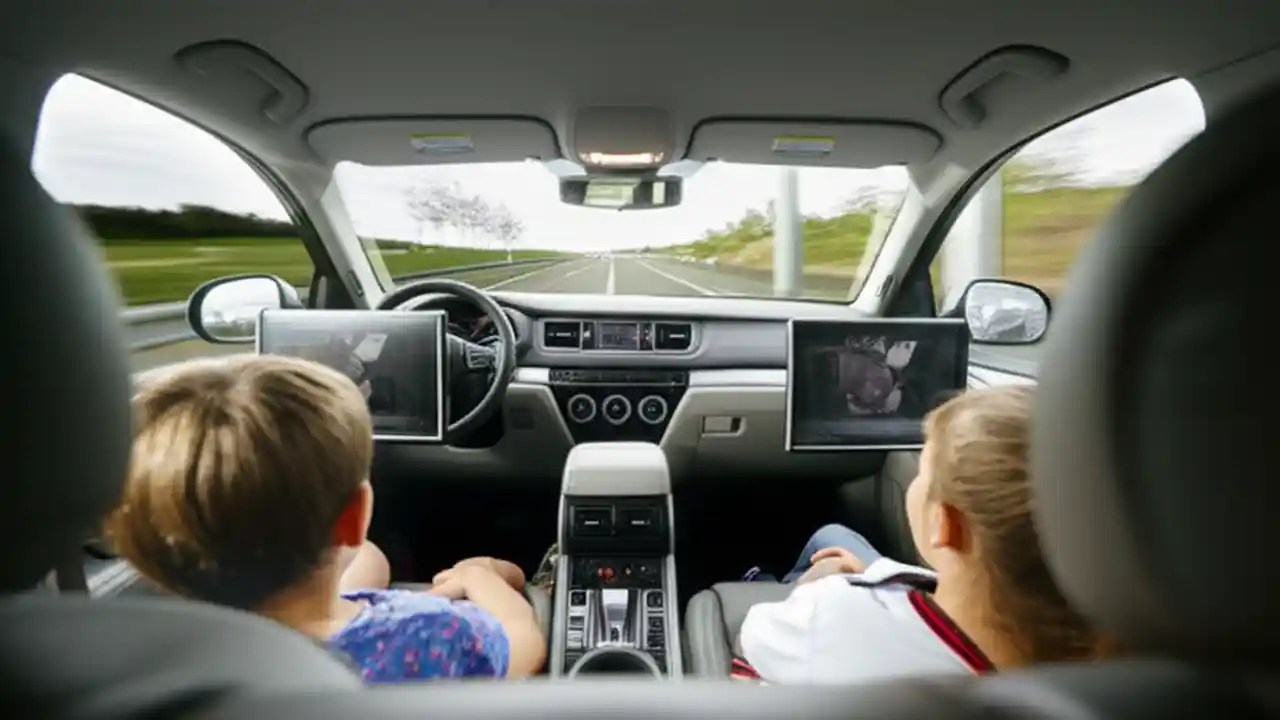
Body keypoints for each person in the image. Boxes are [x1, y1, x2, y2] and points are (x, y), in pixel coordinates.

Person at [104, 355, 545, 683]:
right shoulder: (434, 633)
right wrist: (481, 575)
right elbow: (522, 646)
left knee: (371, 561)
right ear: (355, 516)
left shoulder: (132, 664)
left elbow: (356, 556)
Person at [735, 386, 1107, 684]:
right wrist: (873, 578)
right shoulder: (1118, 656)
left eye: (923, 473)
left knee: (817, 551)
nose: (915, 482)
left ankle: (760, 579)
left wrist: (823, 589)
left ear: (944, 524)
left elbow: (750, 638)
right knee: (833, 534)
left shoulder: (831, 611)